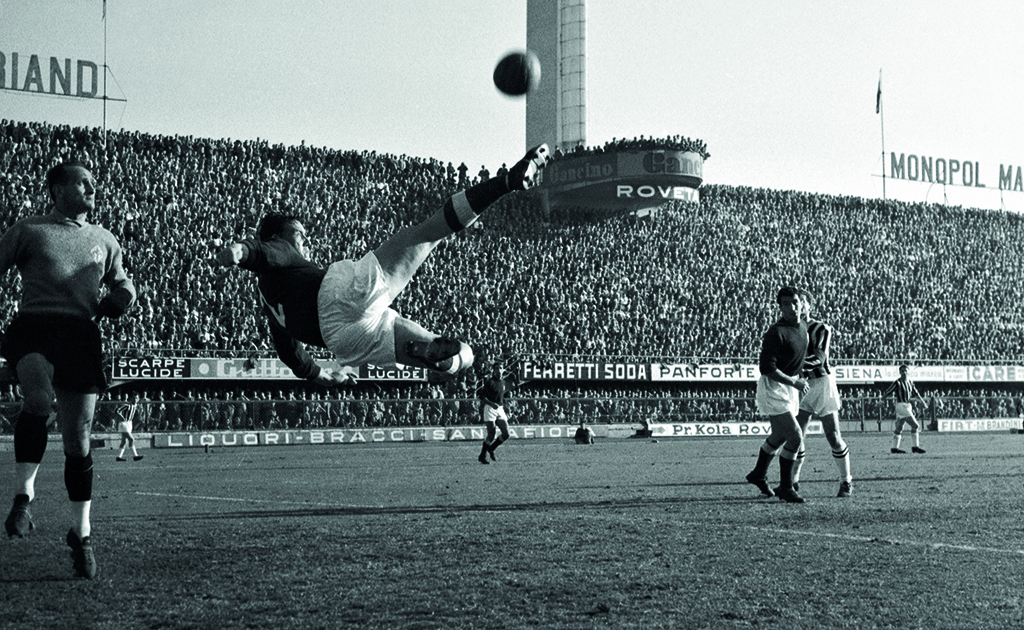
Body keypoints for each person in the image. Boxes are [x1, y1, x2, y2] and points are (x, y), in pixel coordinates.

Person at [215, 145, 549, 384]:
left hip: (344, 342)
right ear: (279, 234)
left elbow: (289, 353)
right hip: (339, 297)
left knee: (461, 356)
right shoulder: (279, 249)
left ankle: (448, 360)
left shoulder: (269, 301)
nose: (305, 240)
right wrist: (237, 252)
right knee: (428, 233)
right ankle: (507, 182)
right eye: (299, 233)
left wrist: (322, 376)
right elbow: (258, 251)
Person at [1, 160, 136, 579]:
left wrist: (123, 296)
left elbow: (123, 281)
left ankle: (82, 535)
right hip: (35, 326)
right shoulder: (29, 230)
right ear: (58, 189)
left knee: (79, 440)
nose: (93, 188)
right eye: (83, 182)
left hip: (81, 333)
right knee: (39, 399)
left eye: (94, 183)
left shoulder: (105, 239)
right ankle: (23, 498)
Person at [744, 286, 809, 503]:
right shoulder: (776, 332)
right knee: (795, 436)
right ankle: (786, 486)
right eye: (786, 304)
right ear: (780, 307)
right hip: (774, 386)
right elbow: (767, 368)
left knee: (780, 435)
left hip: (790, 386)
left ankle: (758, 473)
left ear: (802, 303)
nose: (792, 307)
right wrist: (794, 382)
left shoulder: (803, 326)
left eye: (795, 302)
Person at [791, 291, 852, 498]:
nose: (799, 306)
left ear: (809, 305)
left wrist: (793, 366)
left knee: (833, 436)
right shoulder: (789, 330)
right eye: (796, 303)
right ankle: (793, 481)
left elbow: (819, 357)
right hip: (801, 385)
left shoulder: (821, 328)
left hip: (822, 383)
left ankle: (846, 481)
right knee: (796, 436)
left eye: (802, 302)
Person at [477, 363, 524, 464]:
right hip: (490, 408)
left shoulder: (503, 382)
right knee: (491, 435)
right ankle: (482, 456)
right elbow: (481, 396)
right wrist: (491, 403)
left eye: (501, 368)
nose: (499, 370)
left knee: (506, 434)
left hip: (500, 408)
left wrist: (517, 371)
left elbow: (515, 383)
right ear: (494, 370)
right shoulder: (490, 382)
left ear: (503, 370)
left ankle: (491, 448)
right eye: (497, 368)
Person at [884, 365, 927, 454]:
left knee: (899, 427)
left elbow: (916, 393)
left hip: (907, 406)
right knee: (915, 426)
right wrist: (881, 401)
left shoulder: (910, 382)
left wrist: (922, 402)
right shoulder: (897, 383)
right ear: (900, 372)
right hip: (901, 405)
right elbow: (888, 392)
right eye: (902, 371)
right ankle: (915, 447)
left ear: (908, 372)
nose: (904, 372)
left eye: (905, 370)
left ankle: (894, 448)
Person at [115, 393, 144, 462]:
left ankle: (119, 457)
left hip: (129, 424)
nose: (135, 399)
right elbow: (117, 410)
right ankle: (135, 456)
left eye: (136, 398)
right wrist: (122, 417)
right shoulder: (127, 406)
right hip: (124, 424)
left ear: (138, 399)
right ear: (131, 399)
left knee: (123, 442)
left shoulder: (135, 406)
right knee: (131, 439)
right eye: (133, 398)